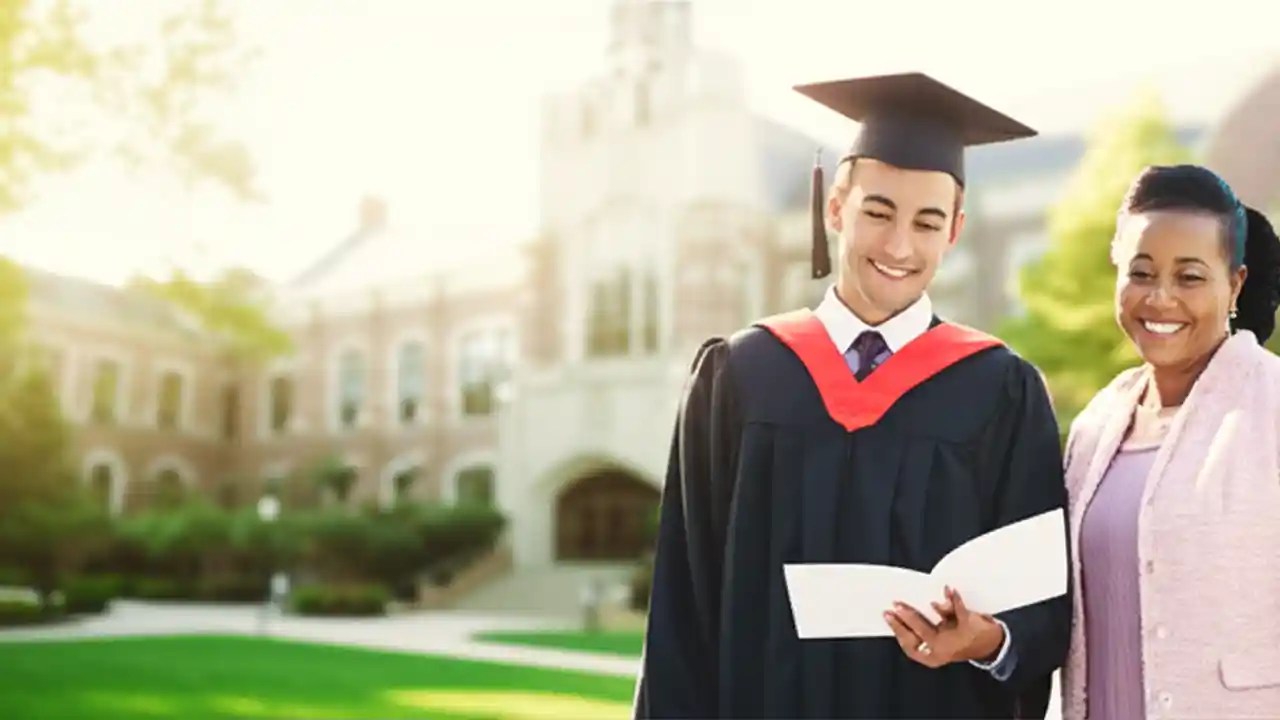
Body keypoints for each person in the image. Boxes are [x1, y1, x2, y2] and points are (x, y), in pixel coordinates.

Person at [633, 72, 1072, 719]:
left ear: (954, 231)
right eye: (878, 212)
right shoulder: (739, 378)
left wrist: (987, 639)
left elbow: (1041, 609)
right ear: (836, 209)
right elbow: (683, 605)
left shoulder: (999, 391)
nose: (899, 245)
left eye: (927, 223)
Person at [1060, 165, 1280, 720]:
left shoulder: (1271, 408)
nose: (1160, 298)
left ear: (1235, 285)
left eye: (1189, 277)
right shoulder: (1094, 427)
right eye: (1141, 272)